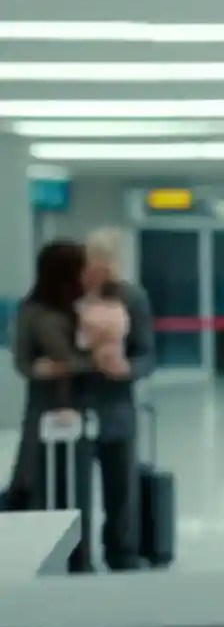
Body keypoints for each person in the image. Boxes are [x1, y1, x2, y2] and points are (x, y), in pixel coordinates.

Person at [78, 227, 157, 571]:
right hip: (75, 407)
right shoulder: (70, 297)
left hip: (117, 407)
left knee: (121, 487)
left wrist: (126, 368)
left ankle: (122, 553)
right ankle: (77, 556)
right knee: (75, 488)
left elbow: (148, 356)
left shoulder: (132, 298)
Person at [9, 240, 89, 520]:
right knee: (37, 477)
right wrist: (37, 369)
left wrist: (69, 366)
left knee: (79, 482)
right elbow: (22, 360)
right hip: (43, 404)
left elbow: (100, 358)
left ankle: (80, 555)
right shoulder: (31, 310)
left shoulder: (88, 306)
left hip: (83, 403)